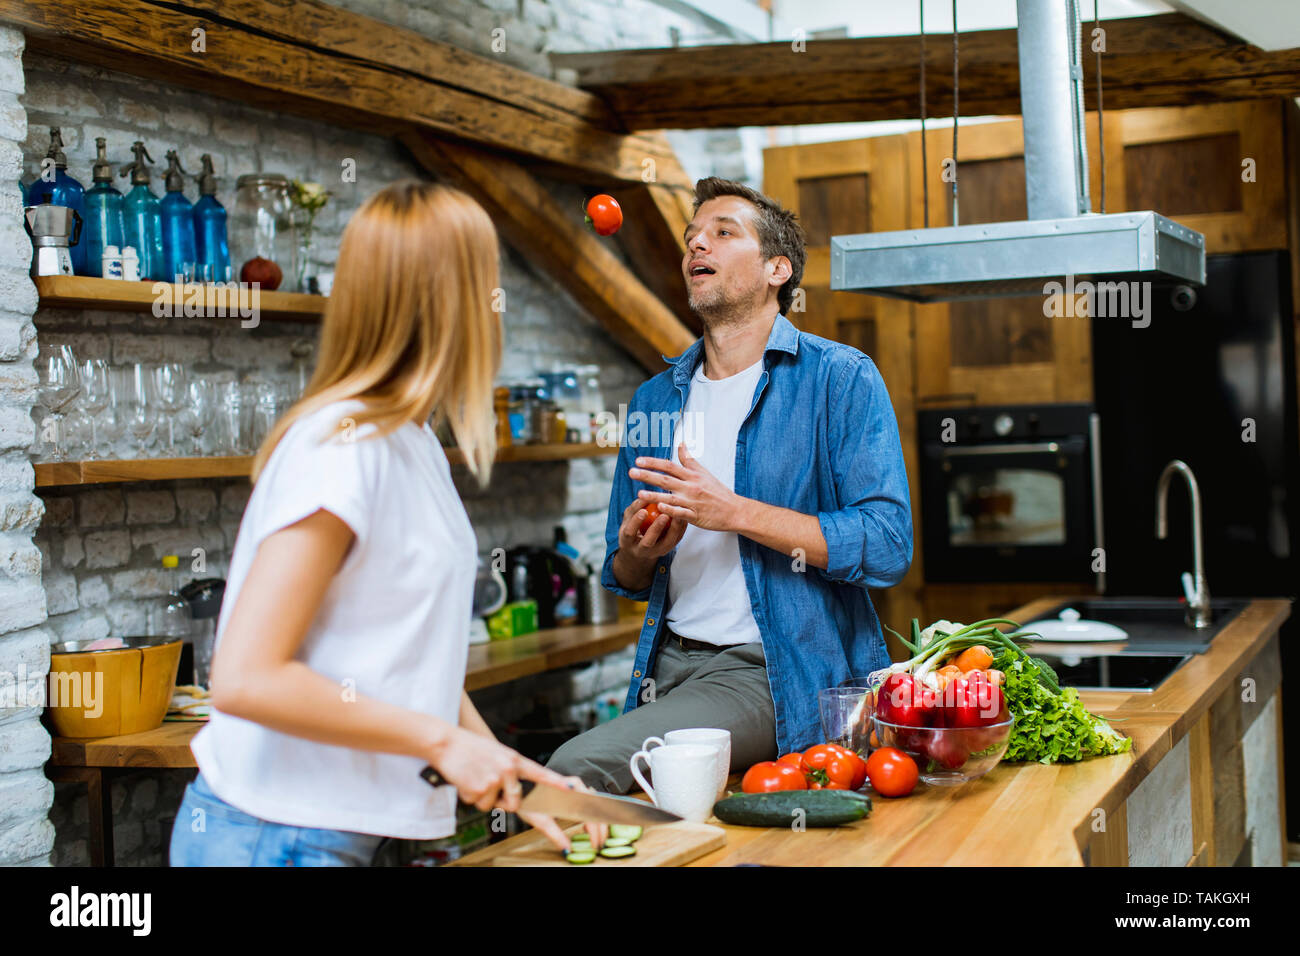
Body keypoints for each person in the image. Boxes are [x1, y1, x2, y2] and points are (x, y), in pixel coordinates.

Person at [170, 181, 603, 866]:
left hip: (337, 834)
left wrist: (503, 767)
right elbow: (246, 677)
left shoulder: (412, 441)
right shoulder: (341, 446)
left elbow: (406, 658)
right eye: (484, 280)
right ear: (452, 299)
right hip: (274, 836)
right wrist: (441, 744)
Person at [547, 177, 913, 793]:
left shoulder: (840, 379)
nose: (697, 246)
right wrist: (640, 549)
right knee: (666, 828)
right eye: (691, 237)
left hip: (768, 667)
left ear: (777, 268)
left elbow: (885, 545)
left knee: (571, 772)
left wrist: (734, 511)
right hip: (665, 666)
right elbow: (626, 575)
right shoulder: (654, 399)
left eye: (722, 233)